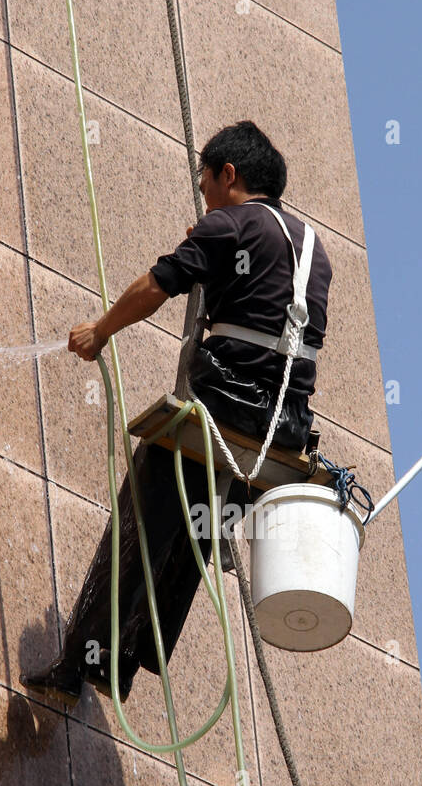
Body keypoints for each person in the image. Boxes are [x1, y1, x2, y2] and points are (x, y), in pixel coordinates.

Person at [21, 121, 332, 708]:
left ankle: (78, 662)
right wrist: (218, 255)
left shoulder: (231, 223)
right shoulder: (315, 252)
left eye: (205, 179)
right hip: (282, 434)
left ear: (229, 174)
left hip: (223, 413)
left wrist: (100, 329)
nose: (204, 192)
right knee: (193, 540)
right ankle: (125, 663)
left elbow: (157, 284)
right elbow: (267, 315)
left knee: (140, 522)